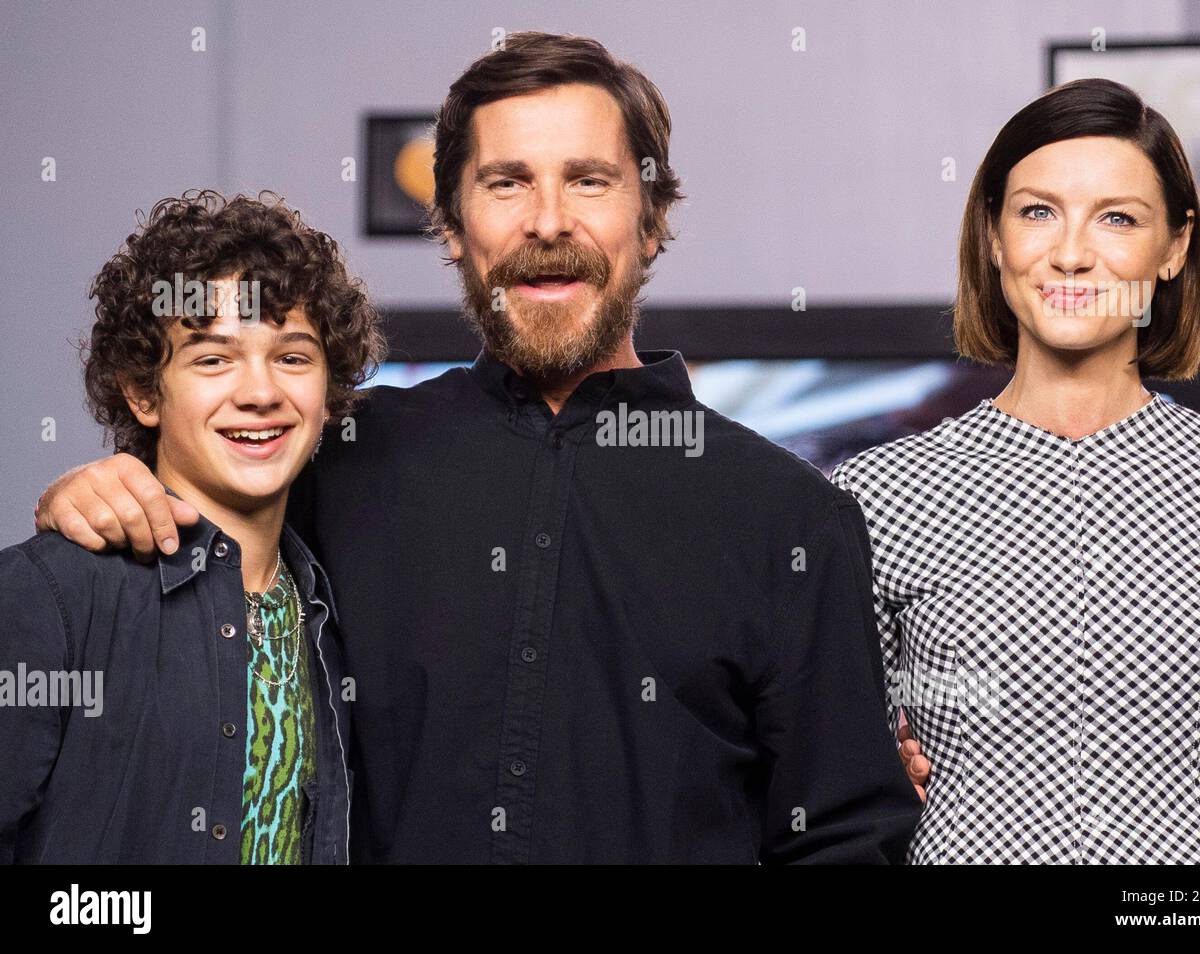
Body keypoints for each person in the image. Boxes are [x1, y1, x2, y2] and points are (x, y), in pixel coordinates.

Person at [33, 33, 921, 863]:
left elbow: (843, 837)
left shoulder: (790, 518)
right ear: (452, 228)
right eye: (506, 184)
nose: (547, 221)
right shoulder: (332, 460)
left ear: (650, 222)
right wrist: (104, 487)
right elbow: (188, 560)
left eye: (588, 181)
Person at [833, 78, 1200, 863]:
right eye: (1038, 211)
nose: (1073, 253)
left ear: (1175, 247)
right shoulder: (878, 495)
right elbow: (838, 804)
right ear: (993, 235)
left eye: (1118, 218)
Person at [2, 191, 386, 863]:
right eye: (213, 359)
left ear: (330, 391)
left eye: (293, 357)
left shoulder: (328, 608)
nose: (260, 392)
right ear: (144, 391)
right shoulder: (54, 593)